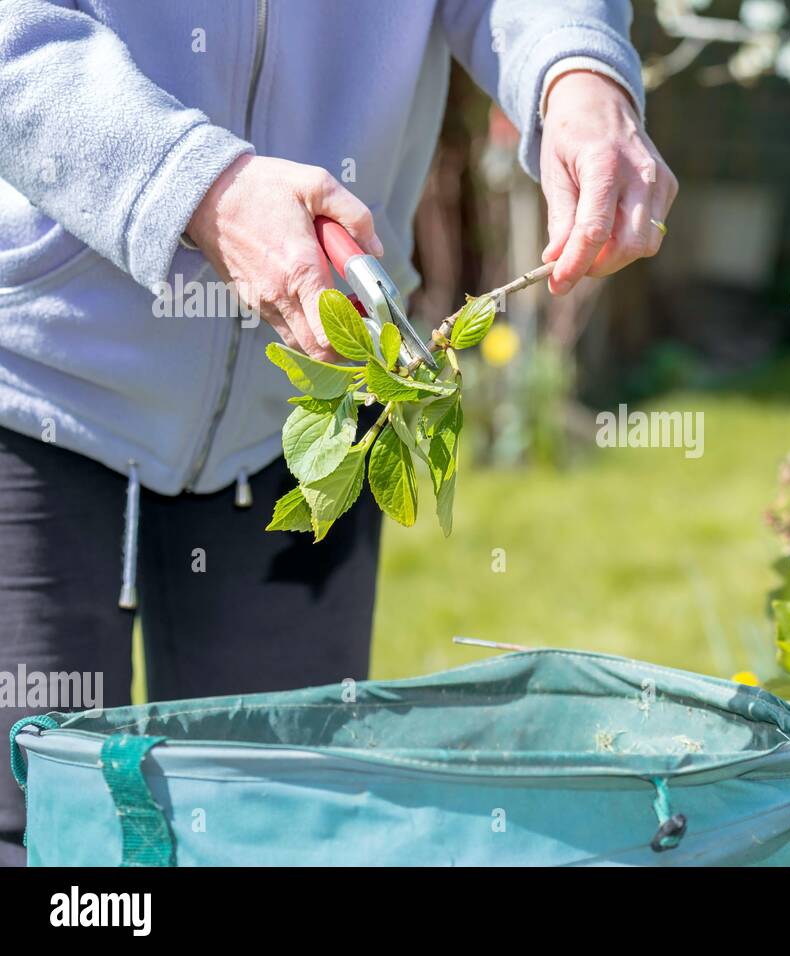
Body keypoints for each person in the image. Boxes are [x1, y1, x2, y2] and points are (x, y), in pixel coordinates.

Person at [0, 0, 677, 865]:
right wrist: (198, 184)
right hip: (39, 380)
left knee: (278, 827)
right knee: (34, 826)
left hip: (312, 403)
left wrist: (580, 70)